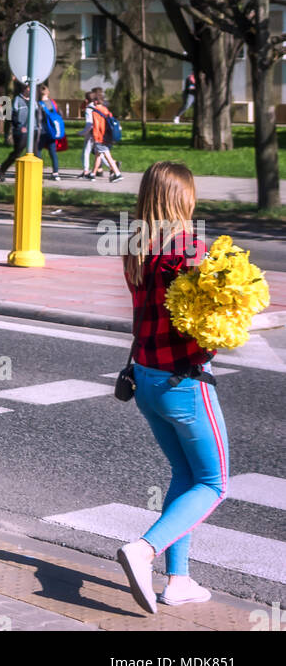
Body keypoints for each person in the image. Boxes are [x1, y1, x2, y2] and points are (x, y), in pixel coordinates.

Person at [116, 162, 226, 614]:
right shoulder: (190, 250)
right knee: (215, 483)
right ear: (183, 199)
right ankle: (145, 549)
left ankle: (178, 581)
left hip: (145, 379)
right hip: (185, 382)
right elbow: (203, 322)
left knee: (185, 476)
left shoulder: (135, 248)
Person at [0, 84, 39, 181]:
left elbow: (37, 114)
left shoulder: (33, 100)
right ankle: (3, 170)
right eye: (29, 88)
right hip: (21, 131)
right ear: (25, 89)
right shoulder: (17, 100)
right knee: (17, 153)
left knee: (36, 154)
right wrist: (19, 126)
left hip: (33, 130)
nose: (31, 90)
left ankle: (35, 177)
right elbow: (12, 115)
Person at [88, 87, 123, 181]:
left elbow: (97, 126)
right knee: (98, 155)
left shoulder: (95, 111)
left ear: (95, 101)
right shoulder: (105, 109)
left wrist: (95, 138)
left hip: (100, 137)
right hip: (108, 136)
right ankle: (93, 174)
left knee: (107, 156)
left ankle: (117, 174)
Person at [36, 83, 62, 181]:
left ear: (39, 93)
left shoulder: (39, 104)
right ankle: (56, 173)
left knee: (38, 150)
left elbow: (38, 118)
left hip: (43, 131)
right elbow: (60, 114)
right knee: (53, 152)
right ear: (48, 92)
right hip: (53, 131)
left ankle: (38, 171)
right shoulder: (53, 103)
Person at [79, 89, 95, 178]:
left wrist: (82, 133)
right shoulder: (96, 107)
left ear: (86, 100)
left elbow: (89, 124)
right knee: (100, 152)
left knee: (85, 153)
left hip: (91, 134)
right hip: (98, 133)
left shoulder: (89, 109)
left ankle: (86, 171)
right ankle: (114, 165)